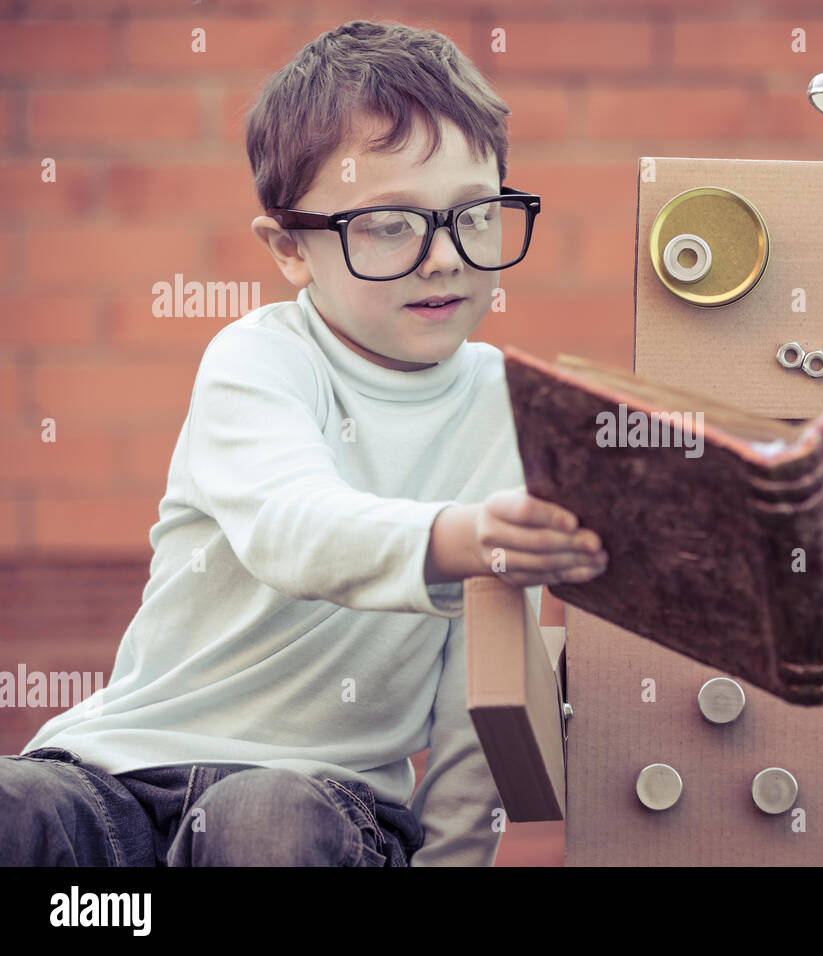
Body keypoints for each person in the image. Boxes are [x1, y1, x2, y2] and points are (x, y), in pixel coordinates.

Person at [0, 20, 605, 867]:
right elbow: (293, 525)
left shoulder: (506, 411)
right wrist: (454, 539)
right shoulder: (259, 360)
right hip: (125, 778)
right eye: (390, 224)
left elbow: (482, 699)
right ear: (289, 248)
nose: (443, 260)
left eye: (473, 214)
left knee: (266, 815)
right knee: (16, 802)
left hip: (320, 802)